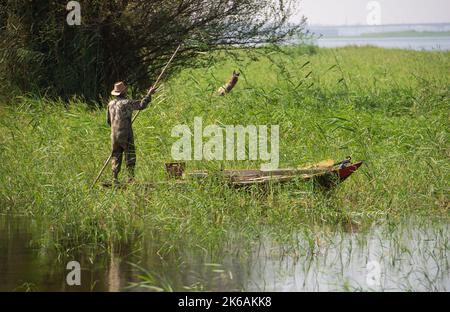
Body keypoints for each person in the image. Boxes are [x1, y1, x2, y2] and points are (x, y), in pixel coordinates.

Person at [107, 81, 157, 184]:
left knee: (116, 155)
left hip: (114, 135)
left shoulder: (110, 104)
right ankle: (130, 178)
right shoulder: (126, 103)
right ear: (123, 92)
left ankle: (114, 178)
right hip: (125, 133)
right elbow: (141, 105)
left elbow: (108, 121)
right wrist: (149, 94)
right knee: (129, 153)